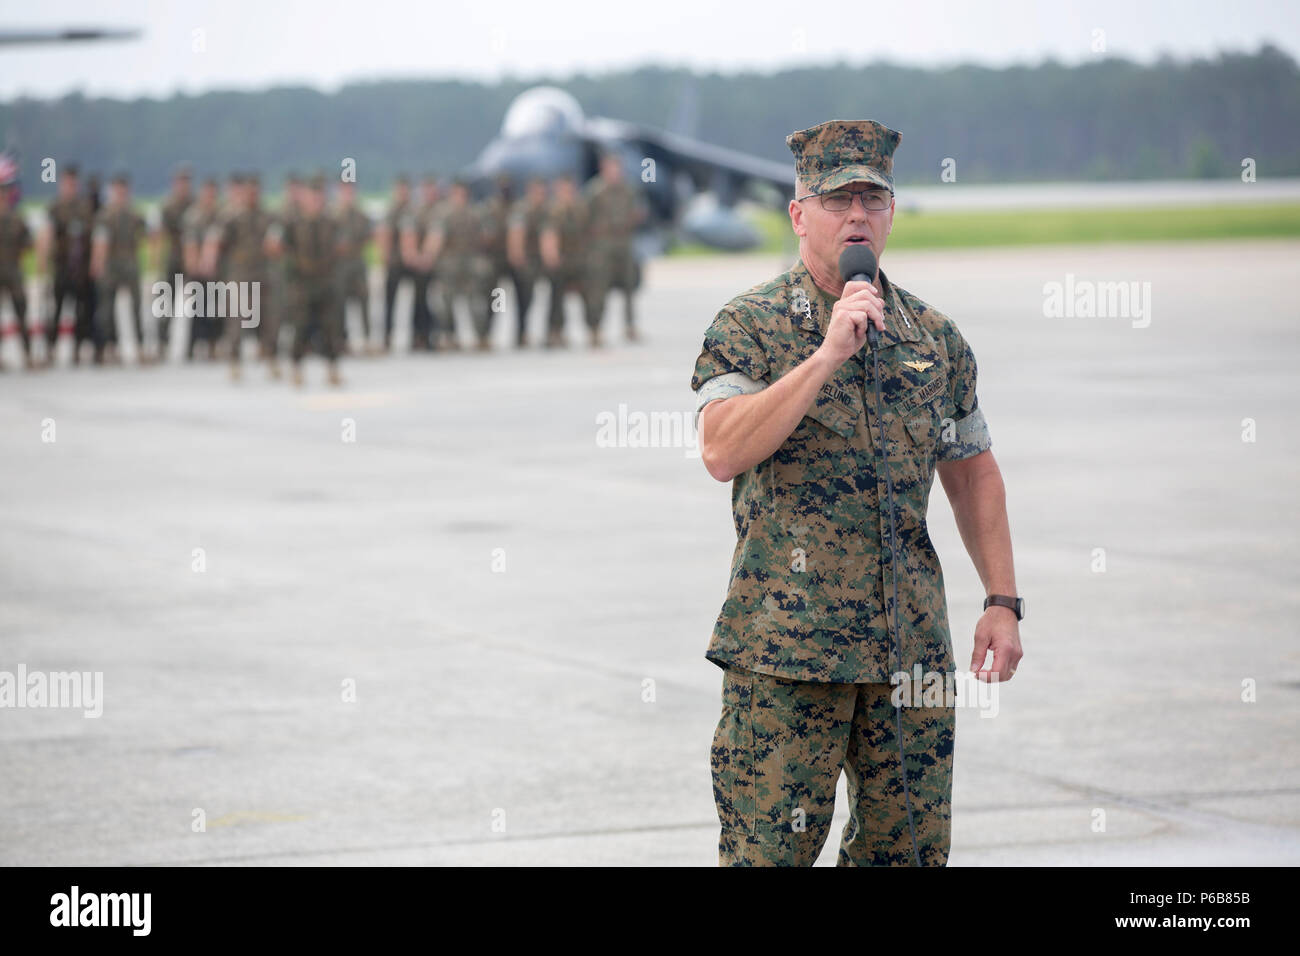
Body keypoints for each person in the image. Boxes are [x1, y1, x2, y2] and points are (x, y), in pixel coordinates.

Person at [691, 119, 1024, 867]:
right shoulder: (750, 325)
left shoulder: (931, 337)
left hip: (911, 659)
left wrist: (1002, 601)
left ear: (891, 213)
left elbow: (973, 471)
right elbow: (721, 450)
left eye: (873, 199)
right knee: (768, 857)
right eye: (838, 200)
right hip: (788, 655)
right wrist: (827, 353)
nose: (858, 217)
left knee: (908, 855)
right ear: (799, 214)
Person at [269, 173, 342, 387]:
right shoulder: (291, 221)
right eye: (312, 196)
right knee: (299, 326)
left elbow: (341, 245)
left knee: (331, 327)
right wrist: (290, 262)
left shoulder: (331, 221)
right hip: (301, 282)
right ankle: (296, 369)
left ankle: (332, 369)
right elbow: (273, 245)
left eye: (320, 196)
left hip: (325, 281)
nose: (316, 200)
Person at [420, 177, 492, 351]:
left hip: (470, 264)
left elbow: (486, 238)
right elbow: (435, 239)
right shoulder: (443, 214)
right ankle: (449, 335)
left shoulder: (475, 213)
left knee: (476, 301)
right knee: (446, 302)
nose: (460, 197)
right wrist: (428, 256)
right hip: (449, 265)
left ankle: (481, 336)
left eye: (463, 194)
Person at [583, 152, 645, 344]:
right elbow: (585, 218)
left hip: (624, 243)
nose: (615, 172)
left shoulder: (628, 190)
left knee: (629, 286)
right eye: (611, 168)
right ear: (603, 169)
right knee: (599, 288)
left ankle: (629, 326)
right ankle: (595, 329)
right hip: (602, 246)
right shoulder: (594, 191)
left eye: (617, 168)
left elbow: (637, 212)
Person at [40, 164, 95, 365]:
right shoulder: (54, 207)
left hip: (80, 268)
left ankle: (78, 349)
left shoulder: (85, 208)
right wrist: (43, 262)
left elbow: (93, 236)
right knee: (56, 309)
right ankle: (51, 348)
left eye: (74, 183)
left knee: (81, 311)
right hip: (61, 266)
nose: (71, 187)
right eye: (67, 183)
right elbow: (46, 235)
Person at [89, 172, 147, 364]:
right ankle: (108, 347)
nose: (121, 194)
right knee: (106, 309)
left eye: (124, 191)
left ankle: (139, 347)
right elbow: (100, 242)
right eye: (118, 190)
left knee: (136, 308)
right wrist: (97, 264)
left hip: (130, 264)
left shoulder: (135, 214)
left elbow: (147, 236)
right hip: (110, 266)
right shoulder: (105, 216)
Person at [538, 175, 588, 348]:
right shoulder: (553, 211)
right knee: (556, 298)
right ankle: (554, 332)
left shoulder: (580, 208)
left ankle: (593, 329)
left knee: (589, 294)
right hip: (561, 260)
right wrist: (551, 256)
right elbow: (548, 235)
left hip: (579, 259)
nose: (567, 193)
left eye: (569, 189)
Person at [150, 163, 192, 358]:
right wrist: (156, 261)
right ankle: (162, 341)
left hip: (191, 257)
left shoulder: (194, 204)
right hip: (173, 256)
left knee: (197, 302)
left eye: (186, 181)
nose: (183, 186)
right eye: (180, 182)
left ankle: (193, 344)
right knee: (166, 301)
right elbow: (158, 235)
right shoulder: (167, 206)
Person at [181, 177, 222, 360]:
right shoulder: (193, 215)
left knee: (217, 309)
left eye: (213, 194)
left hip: (218, 270)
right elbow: (189, 241)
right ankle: (193, 345)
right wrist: (194, 265)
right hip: (198, 269)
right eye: (207, 193)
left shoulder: (221, 214)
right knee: (198, 308)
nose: (210, 197)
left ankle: (214, 344)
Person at [333, 179, 374, 356]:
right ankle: (341, 341)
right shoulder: (332, 216)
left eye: (350, 191)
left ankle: (367, 340)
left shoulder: (362, 216)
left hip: (357, 264)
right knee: (338, 304)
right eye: (344, 191)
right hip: (339, 266)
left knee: (363, 301)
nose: (347, 195)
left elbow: (369, 238)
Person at [505, 177, 548, 348]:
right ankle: (520, 332)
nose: (539, 195)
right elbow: (516, 234)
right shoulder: (522, 210)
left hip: (539, 259)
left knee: (532, 297)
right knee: (521, 297)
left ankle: (539, 331)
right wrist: (517, 255)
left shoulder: (546, 210)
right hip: (524, 260)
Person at [0, 178, 34, 369]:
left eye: (5, 194)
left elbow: (28, 243)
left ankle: (27, 355)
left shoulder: (17, 219)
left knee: (21, 312)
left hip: (13, 271)